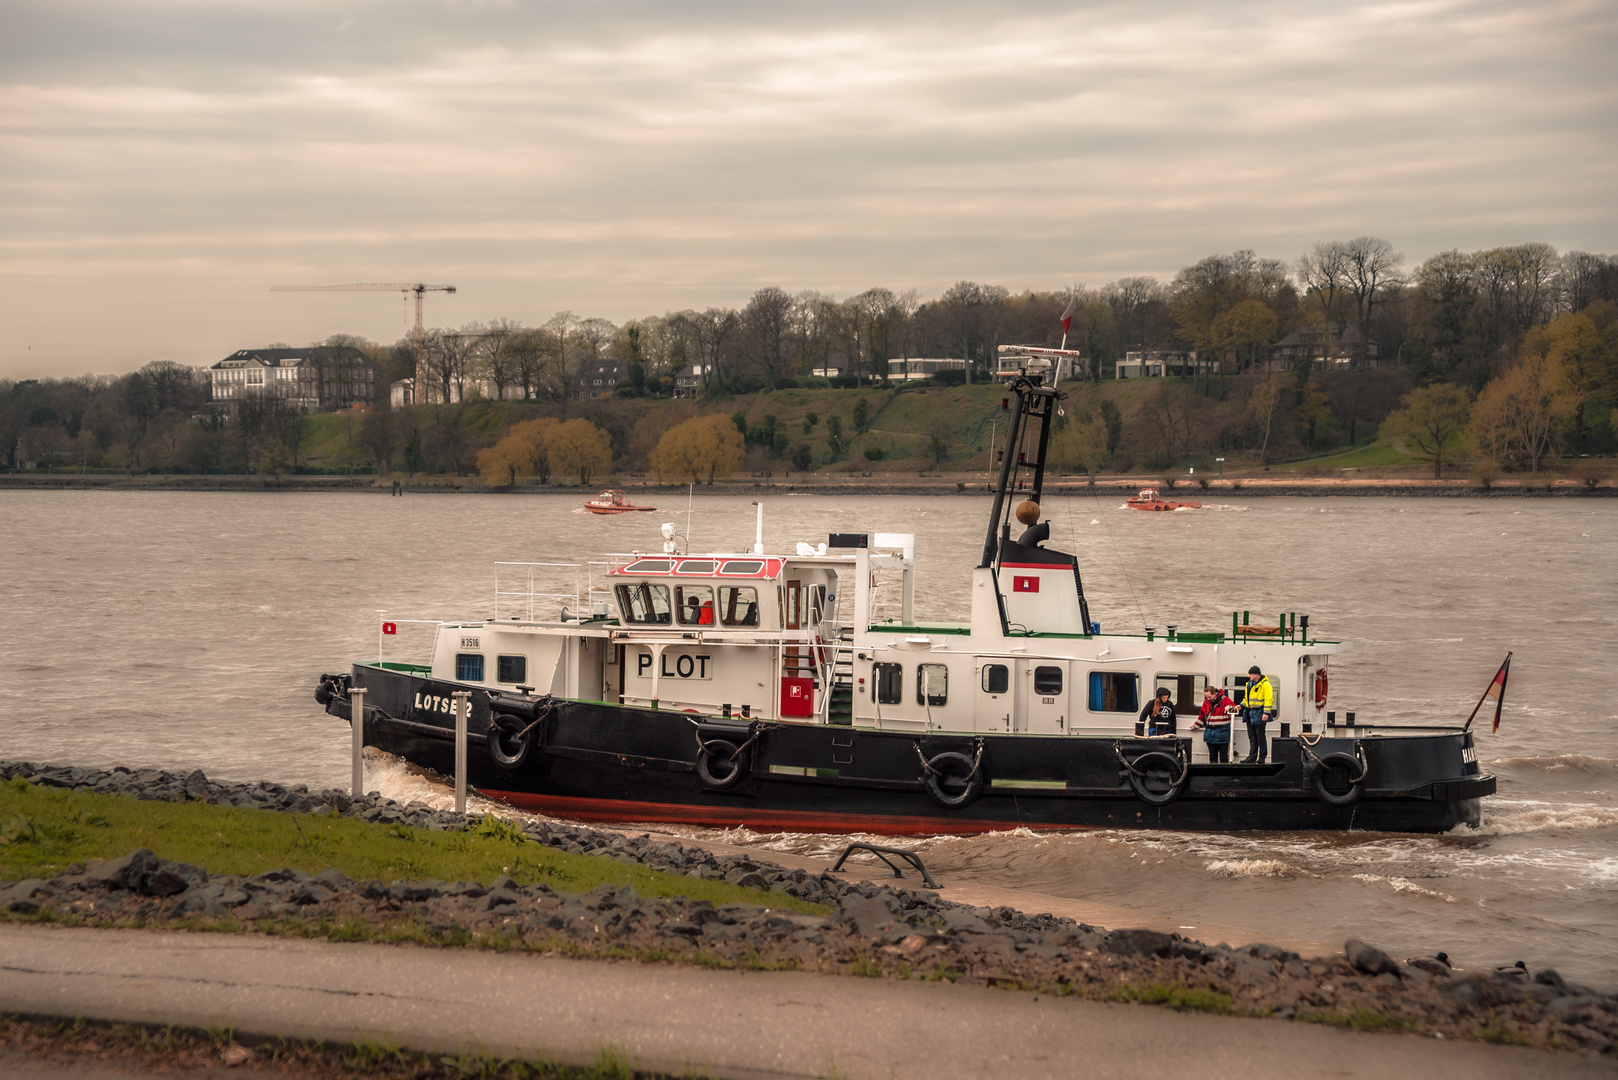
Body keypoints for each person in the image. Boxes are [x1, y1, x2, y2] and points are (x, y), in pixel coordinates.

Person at [1192, 684, 1234, 763]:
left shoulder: (1225, 700)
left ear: (1215, 693)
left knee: (1224, 757)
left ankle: (1223, 770)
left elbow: (1234, 707)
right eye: (1206, 697)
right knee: (1212, 757)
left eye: (1209, 697)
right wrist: (1195, 726)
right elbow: (1202, 716)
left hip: (1222, 733)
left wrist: (1229, 707)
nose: (1208, 699)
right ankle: (1214, 770)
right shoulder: (1206, 702)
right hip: (1211, 734)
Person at [1242, 664, 1275, 763]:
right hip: (1250, 713)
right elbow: (1246, 699)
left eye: (1251, 674)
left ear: (1256, 674)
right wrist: (1241, 705)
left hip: (1259, 713)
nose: (1249, 676)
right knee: (1252, 736)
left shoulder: (1265, 685)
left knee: (1260, 736)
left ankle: (1262, 757)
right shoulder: (1249, 684)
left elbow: (1268, 699)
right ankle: (1252, 756)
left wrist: (1266, 713)